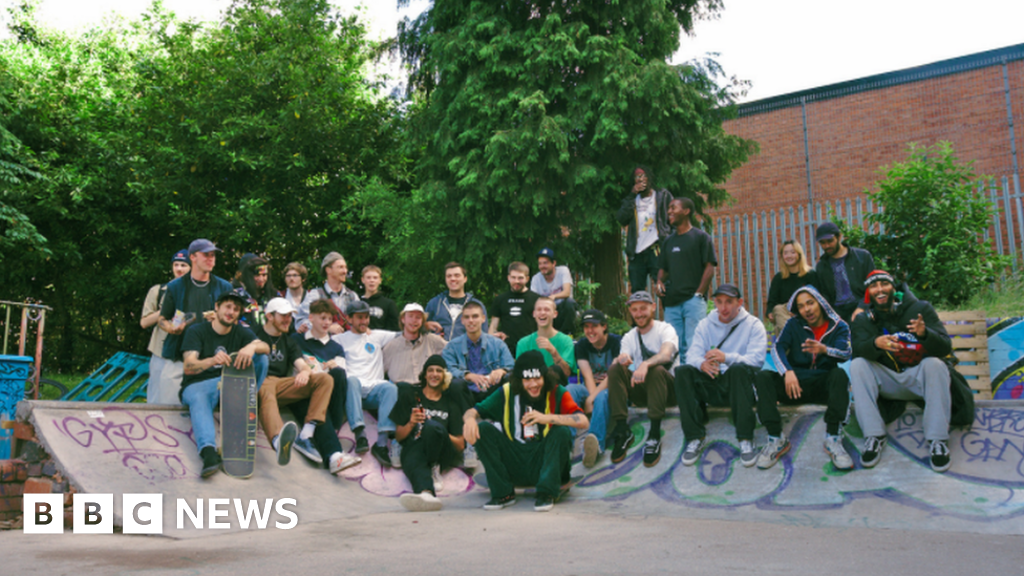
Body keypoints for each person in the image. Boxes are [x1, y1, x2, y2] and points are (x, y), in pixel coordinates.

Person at [849, 270, 962, 472]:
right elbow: (856, 349)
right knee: (857, 365)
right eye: (874, 286)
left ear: (893, 288)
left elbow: (945, 347)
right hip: (887, 382)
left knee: (935, 364)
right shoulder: (864, 319)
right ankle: (874, 436)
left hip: (917, 379)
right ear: (869, 293)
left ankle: (937, 441)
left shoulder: (920, 309)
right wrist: (875, 343)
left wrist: (925, 333)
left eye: (884, 284)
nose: (879, 289)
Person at [463, 351, 589, 512]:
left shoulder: (558, 392)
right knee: (483, 428)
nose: (533, 384)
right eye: (527, 380)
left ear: (545, 376)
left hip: (545, 463)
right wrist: (469, 420)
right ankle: (503, 493)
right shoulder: (507, 391)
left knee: (561, 431)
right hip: (515, 460)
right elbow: (474, 410)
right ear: (519, 380)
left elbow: (583, 421)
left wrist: (547, 418)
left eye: (537, 378)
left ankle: (547, 492)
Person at [254, 298, 360, 475]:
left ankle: (308, 434)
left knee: (324, 379)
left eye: (290, 316)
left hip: (284, 386)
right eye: (283, 316)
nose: (288, 319)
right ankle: (278, 440)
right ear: (269, 316)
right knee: (266, 390)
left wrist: (304, 371)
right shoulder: (255, 333)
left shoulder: (289, 341)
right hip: (260, 382)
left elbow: (299, 363)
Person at [754, 286, 852, 470]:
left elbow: (846, 352)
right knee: (763, 376)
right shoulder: (794, 324)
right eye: (801, 306)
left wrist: (825, 350)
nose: (806, 309)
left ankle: (833, 438)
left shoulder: (839, 326)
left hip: (823, 385)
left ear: (820, 303)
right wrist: (787, 372)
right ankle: (776, 439)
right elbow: (777, 348)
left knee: (839, 375)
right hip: (794, 384)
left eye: (810, 303)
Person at [178, 292, 271, 478]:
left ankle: (246, 397)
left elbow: (266, 347)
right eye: (228, 307)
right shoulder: (197, 331)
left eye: (236, 309)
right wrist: (211, 361)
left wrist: (251, 347)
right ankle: (209, 454)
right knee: (199, 397)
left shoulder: (241, 332)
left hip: (230, 385)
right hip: (198, 385)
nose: (232, 312)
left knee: (261, 358)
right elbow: (189, 366)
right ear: (217, 307)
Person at [676, 284, 767, 468]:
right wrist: (702, 364)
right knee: (682, 371)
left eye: (729, 302)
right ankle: (694, 437)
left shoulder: (754, 325)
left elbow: (757, 360)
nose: (723, 308)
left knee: (738, 369)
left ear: (739, 302)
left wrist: (727, 358)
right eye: (719, 302)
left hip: (739, 387)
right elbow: (692, 355)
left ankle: (745, 438)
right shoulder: (705, 325)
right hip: (713, 382)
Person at [606, 291, 678, 467]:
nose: (639, 314)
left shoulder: (665, 329)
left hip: (668, 391)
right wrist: (622, 360)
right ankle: (623, 430)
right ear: (630, 311)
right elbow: (625, 358)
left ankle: (654, 435)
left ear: (653, 307)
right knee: (615, 368)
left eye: (643, 308)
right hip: (643, 393)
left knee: (655, 369)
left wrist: (645, 364)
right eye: (635, 309)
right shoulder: (629, 337)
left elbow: (666, 354)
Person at [158, 239, 236, 400]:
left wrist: (221, 320)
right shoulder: (175, 286)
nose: (211, 259)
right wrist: (171, 328)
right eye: (206, 255)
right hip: (178, 358)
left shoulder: (224, 287)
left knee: (209, 407)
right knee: (168, 407)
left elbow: (235, 322)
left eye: (213, 255)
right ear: (192, 257)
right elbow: (162, 319)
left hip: (213, 360)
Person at [292, 298, 365, 463]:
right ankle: (334, 456)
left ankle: (333, 454)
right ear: (311, 317)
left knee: (338, 373)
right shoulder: (297, 340)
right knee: (319, 409)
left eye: (330, 319)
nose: (327, 322)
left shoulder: (336, 348)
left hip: (328, 400)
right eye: (322, 318)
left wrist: (332, 367)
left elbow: (340, 377)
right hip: (303, 391)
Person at [393, 355, 466, 512]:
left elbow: (460, 445)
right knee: (415, 460)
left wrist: (439, 430)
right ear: (424, 375)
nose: (434, 374)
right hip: (415, 447)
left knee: (432, 427)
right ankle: (427, 494)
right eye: (430, 370)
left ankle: (434, 466)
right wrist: (412, 422)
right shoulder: (412, 397)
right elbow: (399, 436)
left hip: (442, 451)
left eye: (439, 371)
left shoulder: (450, 404)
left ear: (444, 376)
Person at [334, 300, 402, 467]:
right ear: (349, 319)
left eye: (366, 317)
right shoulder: (339, 339)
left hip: (373, 392)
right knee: (351, 380)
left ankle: (381, 444)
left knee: (390, 387)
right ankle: (360, 434)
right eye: (359, 318)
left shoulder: (376, 336)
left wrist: (424, 324)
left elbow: (404, 333)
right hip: (352, 392)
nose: (363, 321)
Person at [655, 197, 716, 359]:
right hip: (671, 304)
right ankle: (678, 381)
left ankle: (695, 381)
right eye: (669, 209)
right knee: (673, 346)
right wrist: (659, 281)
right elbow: (663, 269)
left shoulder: (701, 237)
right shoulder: (668, 241)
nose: (669, 212)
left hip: (693, 301)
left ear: (686, 211)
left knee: (694, 345)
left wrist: (698, 294)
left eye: (673, 208)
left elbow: (709, 268)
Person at [565, 309, 620, 468]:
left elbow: (613, 375)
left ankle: (596, 444)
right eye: (586, 327)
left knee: (602, 396)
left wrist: (592, 398)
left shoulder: (617, 342)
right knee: (570, 389)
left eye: (594, 326)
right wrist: (590, 396)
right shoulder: (582, 345)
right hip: (590, 387)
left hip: (612, 388)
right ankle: (567, 443)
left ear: (604, 327)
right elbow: (587, 375)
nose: (590, 331)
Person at [141, 248, 190, 404]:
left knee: (178, 398)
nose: (179, 269)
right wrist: (165, 309)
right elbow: (144, 322)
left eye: (184, 265)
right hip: (160, 351)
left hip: (185, 352)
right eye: (176, 265)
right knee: (155, 396)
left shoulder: (196, 292)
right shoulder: (158, 291)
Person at [616, 165, 673, 294]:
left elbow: (673, 218)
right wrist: (632, 195)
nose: (640, 180)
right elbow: (622, 219)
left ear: (649, 178)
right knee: (637, 292)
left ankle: (670, 313)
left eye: (642, 176)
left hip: (656, 249)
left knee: (664, 287)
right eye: (636, 177)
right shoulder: (632, 200)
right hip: (637, 253)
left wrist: (671, 241)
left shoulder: (662, 196)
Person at [814, 221, 875, 323]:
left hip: (861, 305)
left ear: (839, 237)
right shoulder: (821, 266)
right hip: (837, 312)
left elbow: (873, 285)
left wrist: (862, 307)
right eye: (822, 243)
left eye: (830, 241)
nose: (827, 245)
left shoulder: (862, 257)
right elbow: (824, 295)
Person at [294, 251, 360, 334]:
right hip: (322, 345)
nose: (345, 271)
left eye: (345, 267)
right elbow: (301, 320)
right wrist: (326, 327)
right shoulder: (315, 295)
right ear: (328, 270)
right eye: (340, 267)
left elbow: (359, 321)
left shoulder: (353, 296)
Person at [383, 303, 448, 385]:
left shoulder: (433, 341)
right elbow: (379, 372)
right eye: (410, 316)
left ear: (422, 322)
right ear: (403, 319)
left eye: (418, 317)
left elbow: (453, 350)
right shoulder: (390, 346)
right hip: (401, 391)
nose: (414, 320)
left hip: (427, 390)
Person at [515, 297, 575, 383]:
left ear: (555, 314)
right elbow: (518, 374)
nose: (542, 313)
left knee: (556, 370)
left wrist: (554, 352)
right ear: (534, 314)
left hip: (556, 387)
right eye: (539, 310)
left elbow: (566, 373)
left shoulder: (566, 341)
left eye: (547, 310)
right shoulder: (523, 343)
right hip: (531, 387)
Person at [765, 240, 819, 336]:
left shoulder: (810, 275)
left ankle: (792, 340)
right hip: (784, 313)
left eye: (793, 252)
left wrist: (798, 312)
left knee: (780, 330)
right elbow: (772, 301)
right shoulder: (778, 278)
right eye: (785, 253)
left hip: (805, 311)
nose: (789, 256)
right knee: (778, 309)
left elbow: (817, 299)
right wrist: (770, 312)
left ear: (799, 254)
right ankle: (796, 337)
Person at [425, 262, 487, 341]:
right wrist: (426, 325)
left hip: (466, 351)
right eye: (449, 276)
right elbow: (419, 329)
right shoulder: (435, 303)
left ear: (465, 279)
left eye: (457, 275)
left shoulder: (476, 305)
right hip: (439, 351)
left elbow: (484, 334)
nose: (453, 279)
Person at [489, 261, 539, 355]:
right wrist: (493, 339)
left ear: (527, 279)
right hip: (506, 349)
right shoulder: (500, 299)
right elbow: (493, 326)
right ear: (508, 278)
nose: (516, 281)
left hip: (530, 347)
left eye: (520, 278)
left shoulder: (536, 299)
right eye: (513, 277)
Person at [530, 248, 577, 335]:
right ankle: (540, 334)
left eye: (545, 263)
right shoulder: (536, 279)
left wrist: (553, 296)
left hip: (561, 309)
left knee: (570, 303)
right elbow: (533, 299)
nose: (542, 266)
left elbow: (567, 292)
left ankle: (568, 334)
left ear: (554, 263)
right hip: (546, 311)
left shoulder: (563, 271)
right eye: (540, 263)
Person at [232, 254, 276, 327]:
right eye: (257, 275)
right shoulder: (237, 296)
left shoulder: (274, 295)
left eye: (264, 275)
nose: (261, 279)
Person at [361, 265, 400, 331]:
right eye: (368, 277)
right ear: (363, 280)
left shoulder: (389, 304)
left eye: (375, 278)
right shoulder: (356, 301)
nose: (372, 280)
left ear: (380, 280)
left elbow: (394, 330)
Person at [280, 262, 309, 328]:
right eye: (288, 276)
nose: (291, 279)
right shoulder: (281, 296)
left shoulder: (311, 296)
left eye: (295, 275)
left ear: (303, 278)